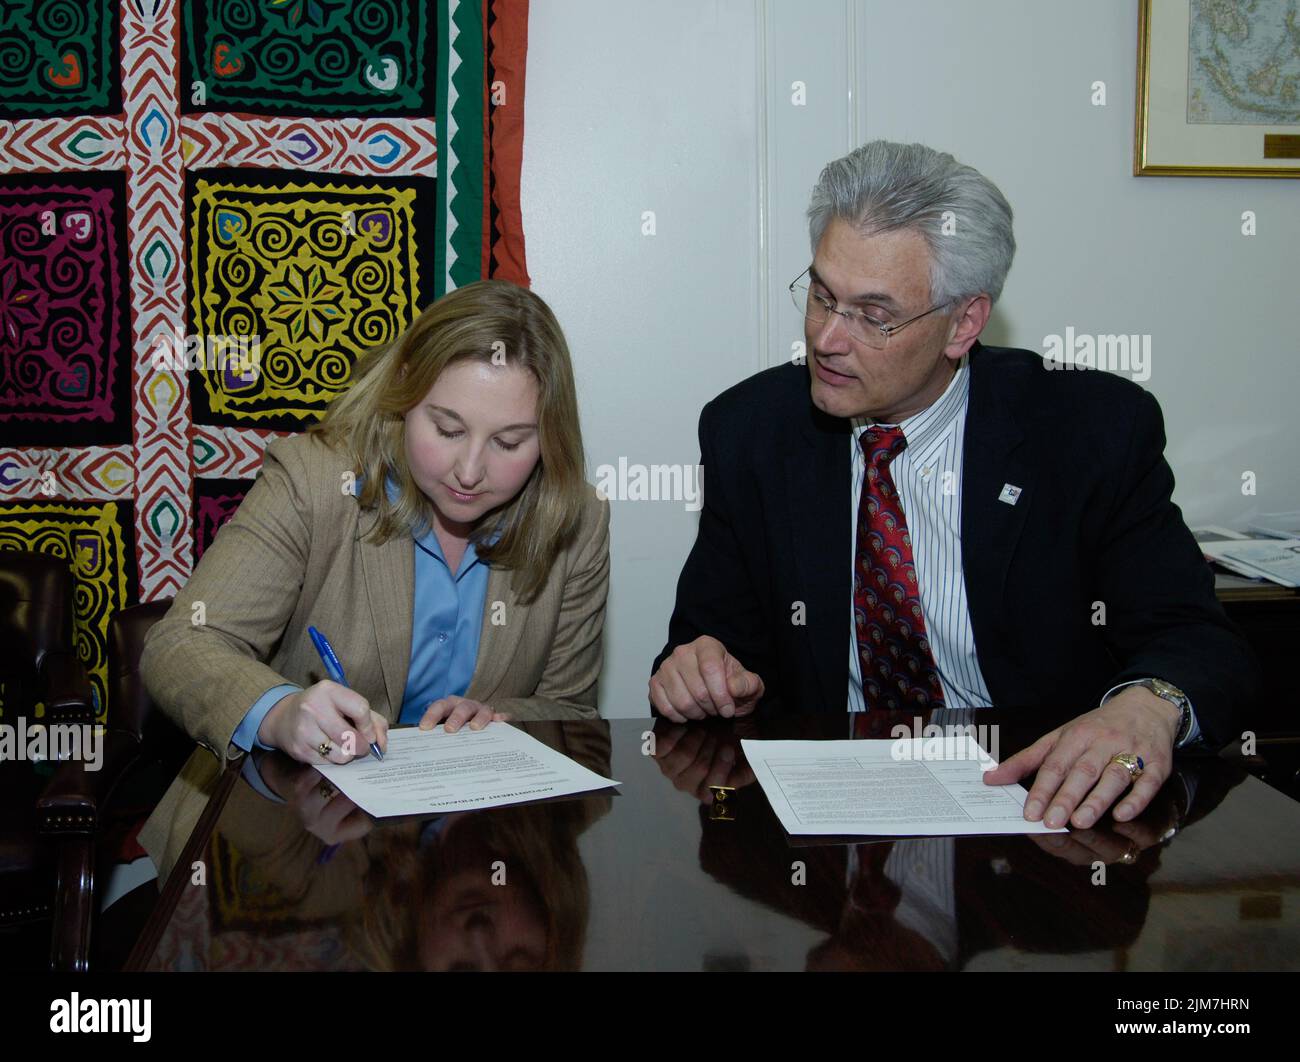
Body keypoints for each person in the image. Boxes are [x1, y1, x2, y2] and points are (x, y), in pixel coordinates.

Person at [650, 140, 1257, 831]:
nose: (826, 338)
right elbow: (715, 645)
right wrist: (700, 670)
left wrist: (1148, 707)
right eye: (822, 295)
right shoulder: (751, 432)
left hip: (1042, 813)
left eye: (874, 316)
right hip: (830, 820)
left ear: (963, 323)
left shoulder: (1091, 433)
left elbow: (1198, 640)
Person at [139, 279, 609, 876]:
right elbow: (183, 643)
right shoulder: (314, 481)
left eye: (510, 442)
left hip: (472, 860)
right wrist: (280, 712)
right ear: (403, 393)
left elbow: (570, 710)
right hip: (282, 855)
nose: (470, 470)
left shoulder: (578, 523)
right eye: (447, 429)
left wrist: (503, 719)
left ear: (550, 440)